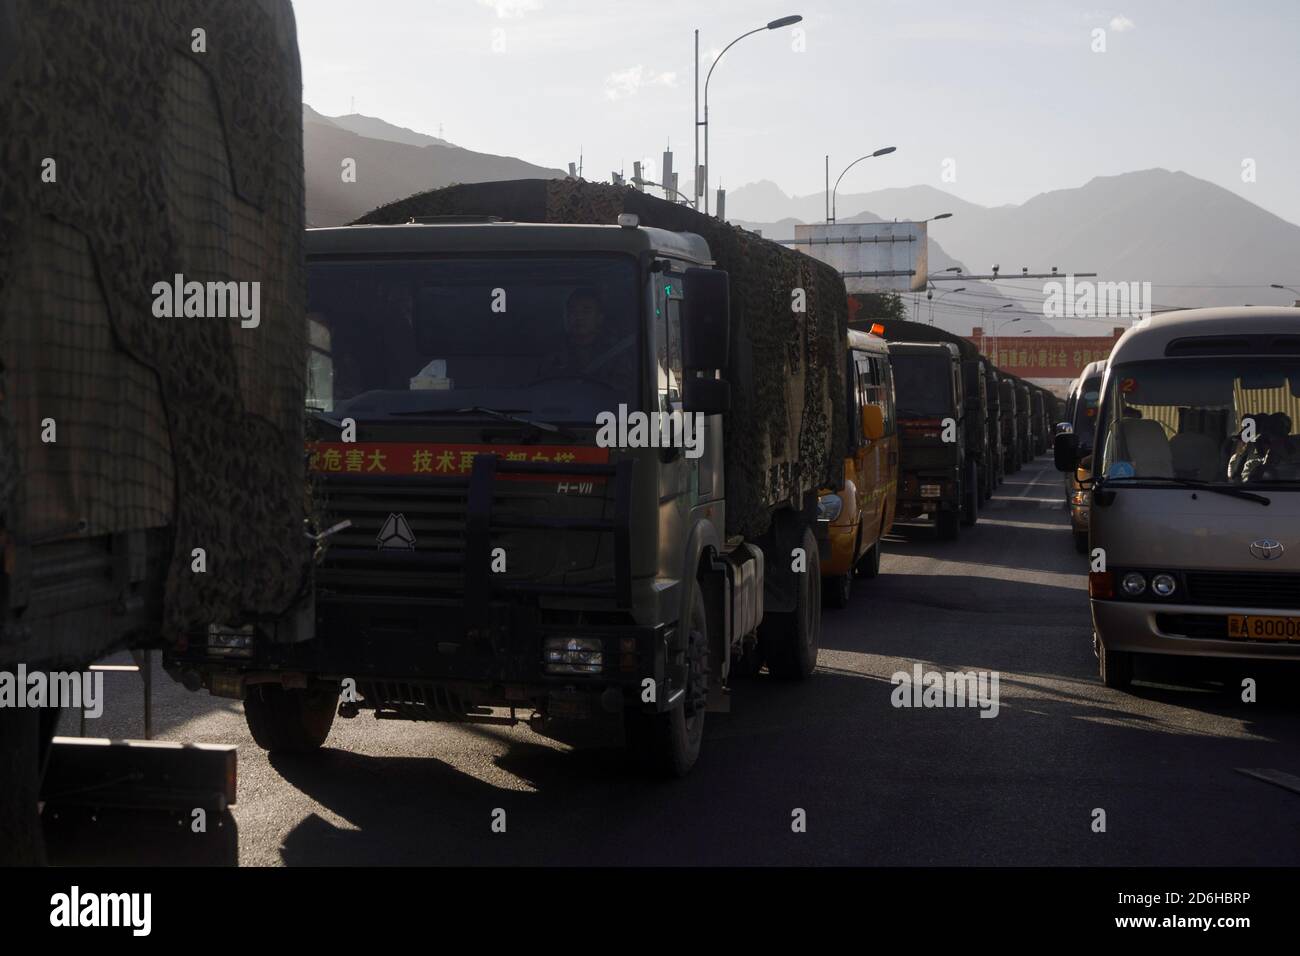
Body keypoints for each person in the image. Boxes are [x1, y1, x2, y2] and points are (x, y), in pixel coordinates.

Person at [538, 287, 635, 386]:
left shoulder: (615, 353)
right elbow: (543, 388)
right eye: (573, 311)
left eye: (586, 311)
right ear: (567, 317)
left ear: (599, 318)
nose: (579, 317)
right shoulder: (555, 351)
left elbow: (623, 395)